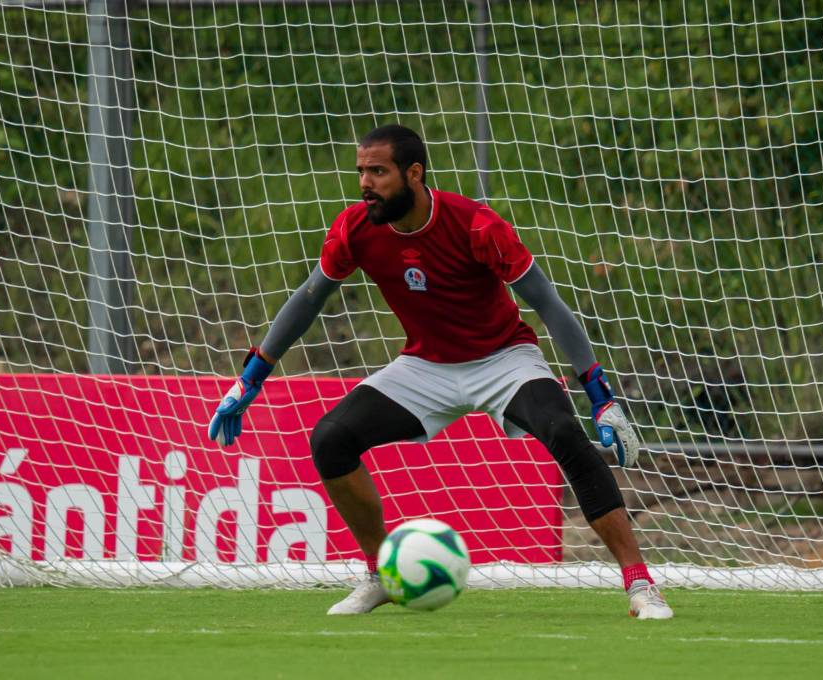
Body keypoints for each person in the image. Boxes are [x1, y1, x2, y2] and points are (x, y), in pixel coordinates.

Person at [208, 124, 673, 620]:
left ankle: (640, 584)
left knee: (564, 433)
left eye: (379, 172)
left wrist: (600, 395)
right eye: (361, 171)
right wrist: (252, 376)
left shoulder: (477, 225)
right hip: (424, 366)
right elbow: (309, 299)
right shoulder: (356, 228)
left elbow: (549, 305)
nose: (366, 183)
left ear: (414, 173)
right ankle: (381, 574)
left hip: (503, 361)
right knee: (330, 439)